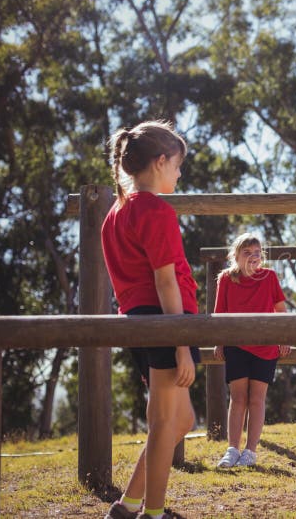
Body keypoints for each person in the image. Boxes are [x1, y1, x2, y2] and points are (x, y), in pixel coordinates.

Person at [101, 121, 199, 519]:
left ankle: (126, 505)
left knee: (182, 419)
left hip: (139, 321)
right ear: (160, 162)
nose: (178, 173)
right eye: (177, 165)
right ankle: (153, 512)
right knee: (163, 421)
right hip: (164, 320)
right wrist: (180, 343)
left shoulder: (115, 213)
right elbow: (164, 278)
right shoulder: (154, 209)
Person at [213, 233, 291, 468]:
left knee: (257, 399)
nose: (253, 257)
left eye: (257, 253)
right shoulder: (226, 279)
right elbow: (220, 313)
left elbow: (280, 308)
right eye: (247, 253)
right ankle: (232, 449)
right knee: (238, 398)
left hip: (266, 347)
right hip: (236, 345)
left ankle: (250, 452)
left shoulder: (270, 277)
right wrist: (219, 342)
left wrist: (283, 337)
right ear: (235, 256)